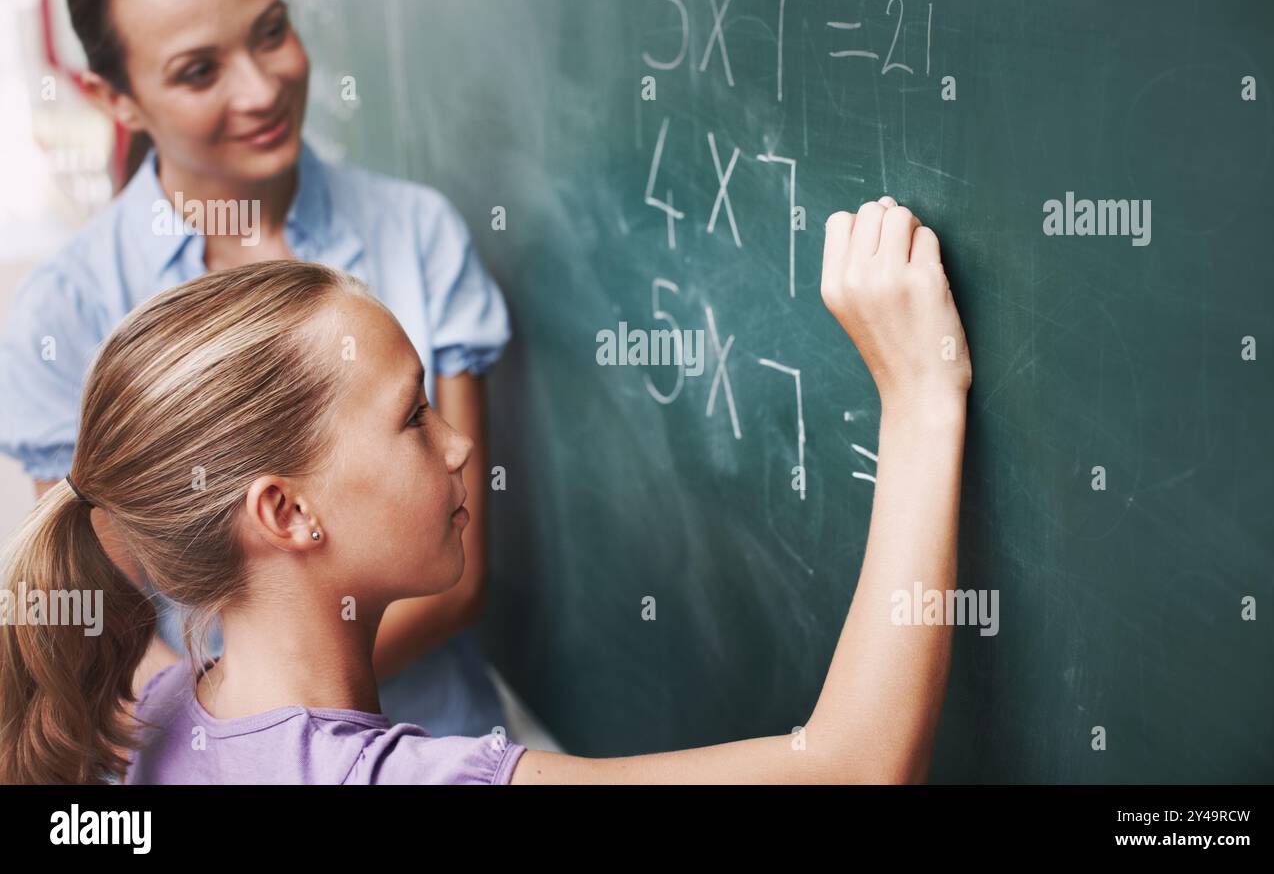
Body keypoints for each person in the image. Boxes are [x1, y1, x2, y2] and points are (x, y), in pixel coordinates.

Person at [0, 196, 972, 783]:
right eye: (411, 416)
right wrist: (920, 396)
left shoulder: (158, 714)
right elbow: (852, 767)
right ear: (286, 511)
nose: (462, 446)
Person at [0, 0, 510, 736]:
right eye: (199, 72)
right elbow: (100, 611)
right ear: (116, 99)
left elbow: (459, 565)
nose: (261, 89)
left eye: (271, 33)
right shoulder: (67, 310)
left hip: (429, 745)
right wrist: (234, 750)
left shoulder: (418, 233)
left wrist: (280, 738)